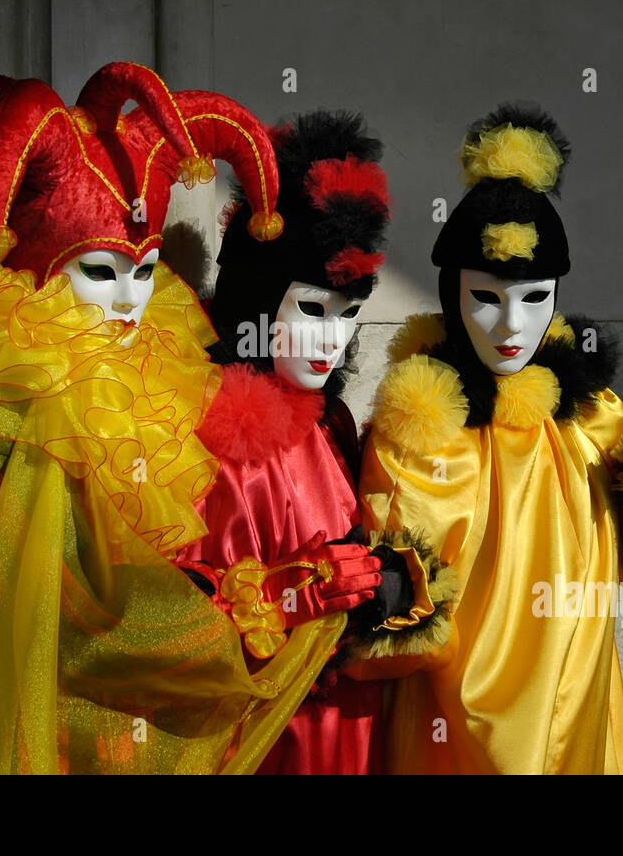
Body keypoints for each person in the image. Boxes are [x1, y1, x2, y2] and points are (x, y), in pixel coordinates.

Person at [0, 63, 344, 773]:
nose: (129, 303)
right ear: (39, 268)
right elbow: (85, 623)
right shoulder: (15, 401)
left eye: (144, 273)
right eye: (101, 271)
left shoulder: (142, 380)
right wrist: (277, 603)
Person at [355, 103, 623, 774]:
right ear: (451, 293)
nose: (510, 324)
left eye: (533, 298)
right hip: (455, 737)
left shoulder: (590, 418)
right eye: (485, 297)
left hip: (580, 714)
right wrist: (391, 596)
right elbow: (401, 633)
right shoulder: (419, 434)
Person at [173, 110, 455, 774]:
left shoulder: (334, 426)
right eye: (311, 310)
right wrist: (293, 596)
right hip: (263, 741)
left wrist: (389, 589)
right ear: (257, 300)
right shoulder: (196, 437)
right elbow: (163, 622)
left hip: (350, 736)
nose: (331, 340)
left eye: (347, 315)